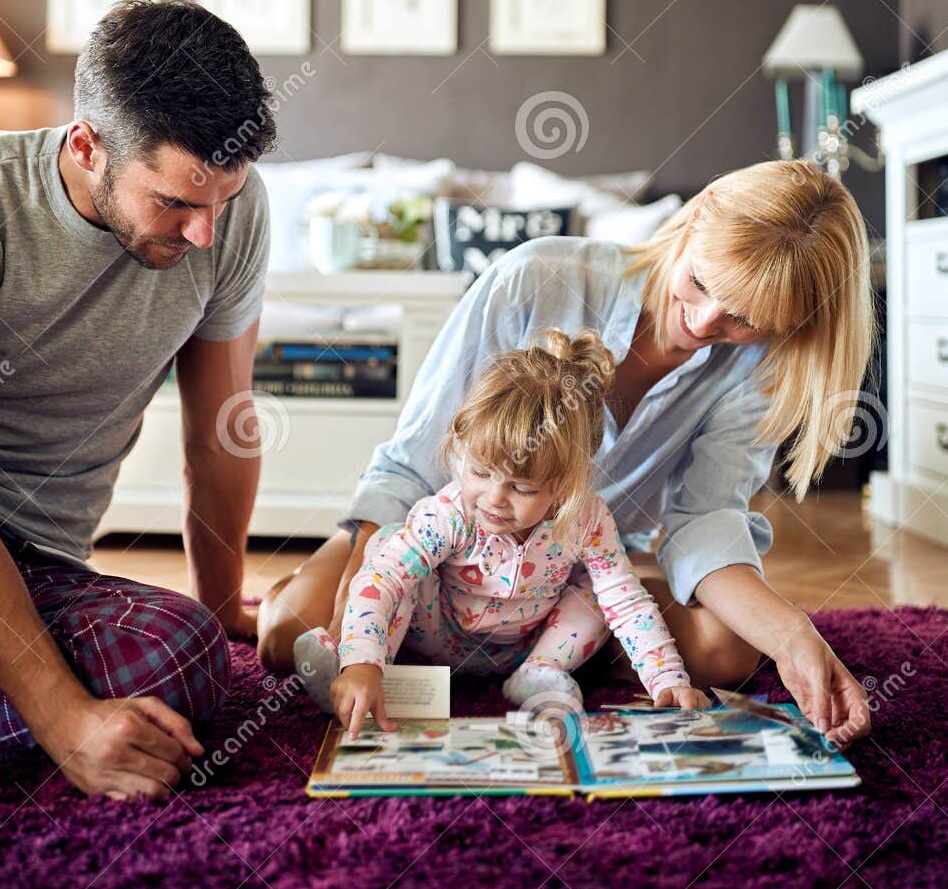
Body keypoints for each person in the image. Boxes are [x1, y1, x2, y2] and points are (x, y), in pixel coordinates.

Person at [259, 159, 874, 745]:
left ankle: (547, 654)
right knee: (289, 631)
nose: (705, 320)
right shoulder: (535, 277)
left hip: (582, 564)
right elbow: (415, 459)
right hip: (439, 541)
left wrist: (795, 636)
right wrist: (356, 615)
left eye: (745, 318)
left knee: (727, 652)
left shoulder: (758, 366)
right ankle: (496, 643)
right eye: (701, 282)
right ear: (700, 211)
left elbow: (706, 521)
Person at [0, 0, 275, 802]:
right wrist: (64, 722)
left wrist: (224, 610)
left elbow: (220, 430)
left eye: (222, 199)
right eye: (177, 203)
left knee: (181, 656)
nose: (205, 235)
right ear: (86, 145)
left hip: (32, 566)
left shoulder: (230, 212)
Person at [297, 329, 709, 739]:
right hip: (436, 637)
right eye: (479, 472)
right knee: (388, 545)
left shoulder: (585, 517)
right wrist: (362, 663)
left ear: (567, 484)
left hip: (527, 646)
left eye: (522, 488)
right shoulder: (451, 512)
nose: (494, 498)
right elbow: (382, 578)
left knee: (601, 589)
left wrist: (667, 678)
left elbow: (625, 599)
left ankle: (540, 674)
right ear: (462, 444)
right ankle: (352, 668)